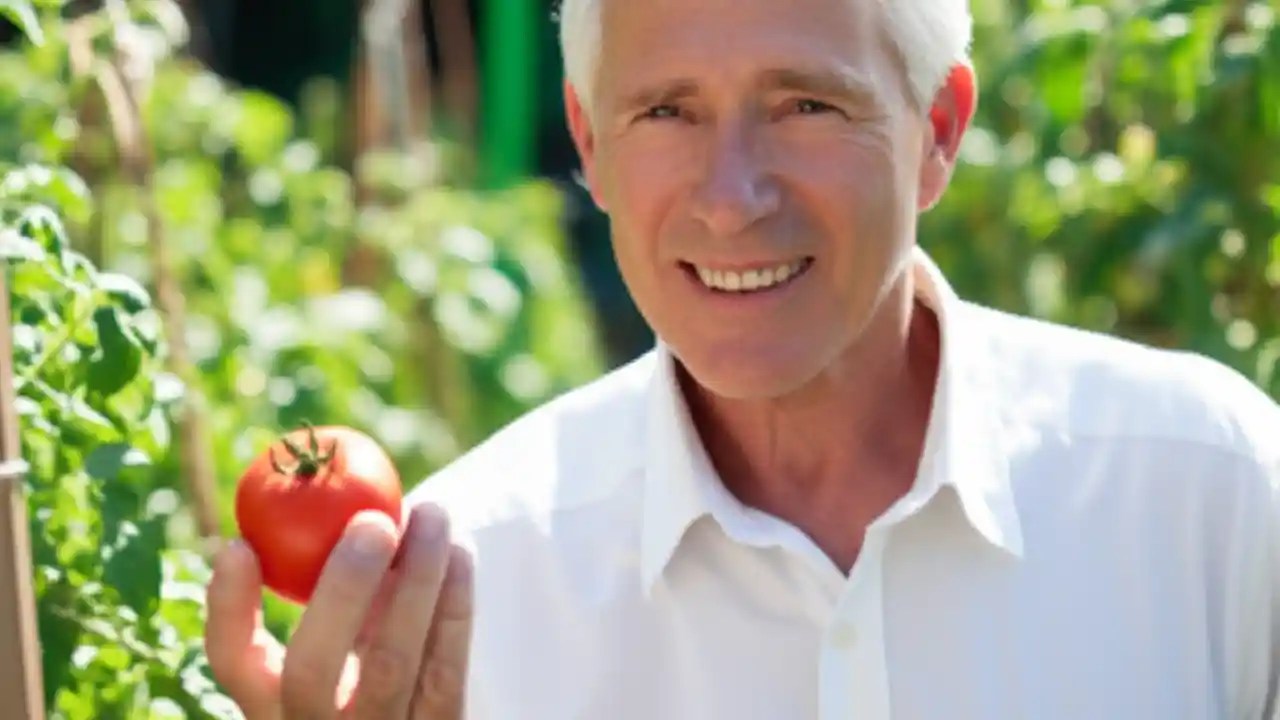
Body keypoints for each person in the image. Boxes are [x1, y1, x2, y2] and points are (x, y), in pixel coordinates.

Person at [203, 0, 1280, 717]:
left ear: (938, 129)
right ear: (587, 143)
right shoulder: (462, 593)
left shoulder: (1209, 489)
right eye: (665, 111)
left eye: (805, 105)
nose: (730, 199)